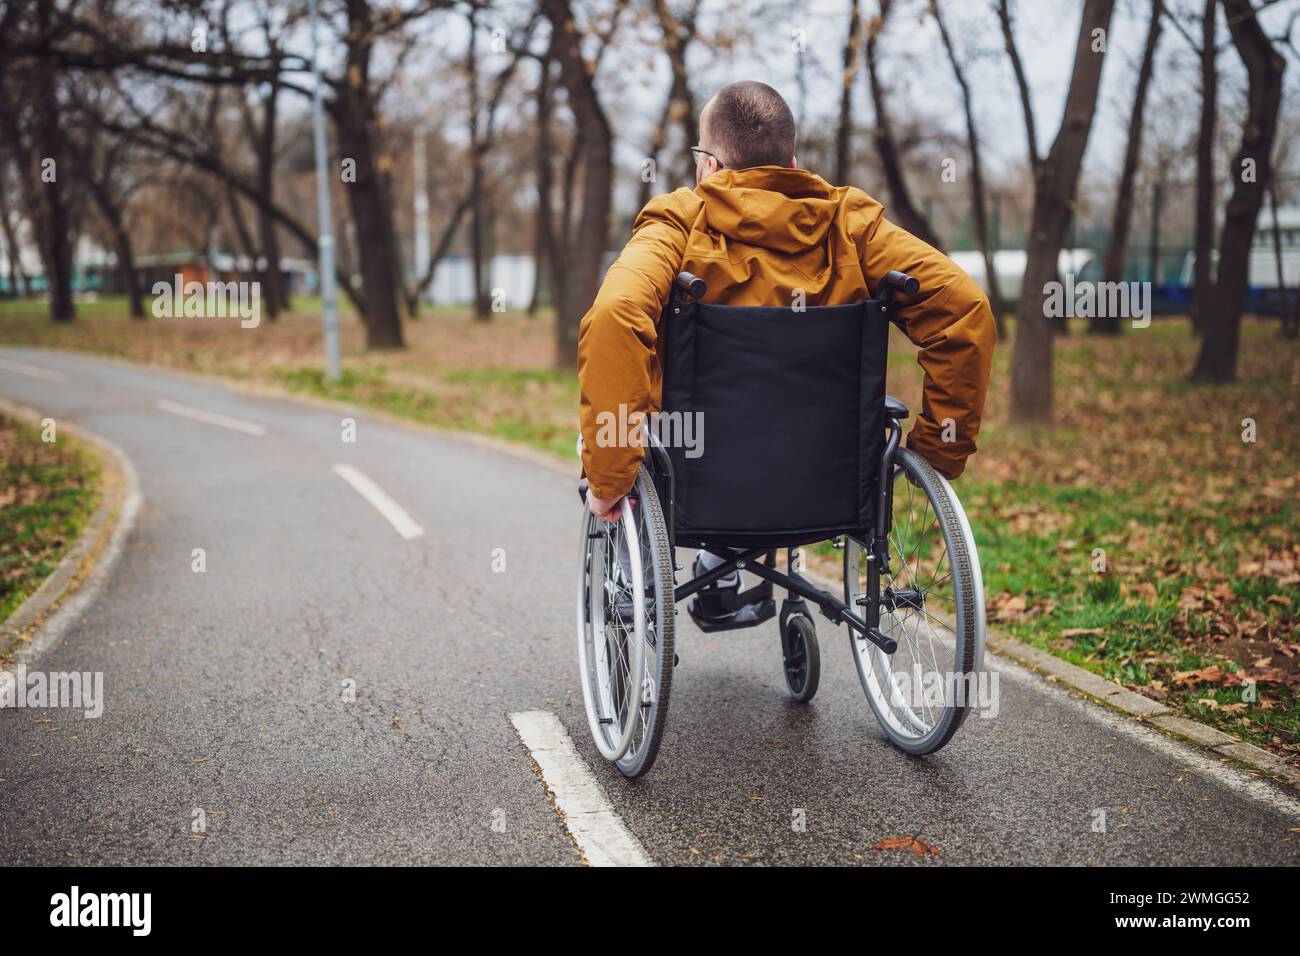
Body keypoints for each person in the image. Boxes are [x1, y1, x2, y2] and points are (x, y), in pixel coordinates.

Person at [577, 80, 995, 621]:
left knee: (629, 418)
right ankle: (721, 567)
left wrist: (610, 480)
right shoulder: (852, 226)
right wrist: (939, 452)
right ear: (792, 162)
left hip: (697, 476)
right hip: (834, 481)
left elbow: (615, 316)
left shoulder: (677, 225)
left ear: (708, 165)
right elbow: (964, 309)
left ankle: (652, 572)